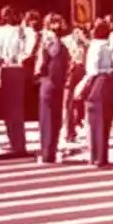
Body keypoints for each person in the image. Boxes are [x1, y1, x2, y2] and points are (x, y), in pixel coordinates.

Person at [75, 19, 113, 167]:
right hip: (110, 81)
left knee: (94, 120)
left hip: (97, 82)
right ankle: (102, 156)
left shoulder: (95, 46)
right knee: (105, 120)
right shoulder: (109, 46)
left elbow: (91, 70)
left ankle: (95, 156)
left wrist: (81, 87)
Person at [0, 6, 29, 156]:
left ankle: (16, 143)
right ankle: (18, 142)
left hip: (8, 68)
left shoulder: (2, 31)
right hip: (17, 68)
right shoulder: (19, 31)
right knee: (16, 108)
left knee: (10, 108)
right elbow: (25, 49)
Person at [35, 23, 69, 163]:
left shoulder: (46, 46)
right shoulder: (64, 48)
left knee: (46, 119)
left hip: (47, 82)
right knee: (55, 118)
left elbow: (40, 65)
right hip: (58, 83)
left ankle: (46, 153)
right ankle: (52, 151)